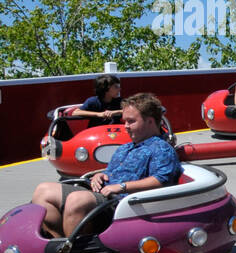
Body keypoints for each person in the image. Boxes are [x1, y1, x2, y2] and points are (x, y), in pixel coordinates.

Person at [30, 92, 182, 238]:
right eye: (125, 121)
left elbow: (161, 180)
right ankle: (58, 243)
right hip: (103, 194)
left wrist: (122, 186)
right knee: (43, 191)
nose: (126, 126)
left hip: (122, 204)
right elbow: (111, 172)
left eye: (131, 121)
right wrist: (100, 176)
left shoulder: (161, 148)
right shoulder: (125, 147)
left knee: (77, 200)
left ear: (150, 121)